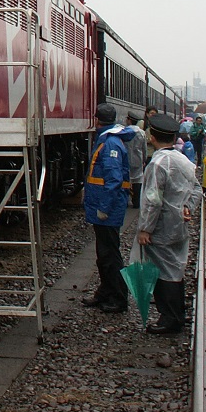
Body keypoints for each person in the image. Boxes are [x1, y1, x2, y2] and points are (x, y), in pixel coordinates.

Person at [134, 114, 200, 334]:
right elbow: (197, 190)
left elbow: (152, 201)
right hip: (179, 224)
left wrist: (145, 228)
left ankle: (170, 318)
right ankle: (177, 315)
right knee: (175, 269)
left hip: (162, 227)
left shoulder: (158, 164)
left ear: (152, 136)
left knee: (165, 272)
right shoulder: (184, 161)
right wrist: (188, 207)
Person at [82, 103, 135, 313]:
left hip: (107, 209)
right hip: (103, 207)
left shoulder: (110, 143)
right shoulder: (109, 139)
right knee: (104, 253)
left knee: (110, 254)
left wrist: (104, 207)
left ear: (97, 120)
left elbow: (113, 180)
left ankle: (118, 298)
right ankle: (105, 292)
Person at [124, 110, 147, 209]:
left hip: (126, 160)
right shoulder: (142, 133)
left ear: (129, 120)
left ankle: (125, 202)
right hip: (138, 159)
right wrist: (144, 160)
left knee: (125, 180)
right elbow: (144, 148)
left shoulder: (124, 132)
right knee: (137, 181)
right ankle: (136, 202)